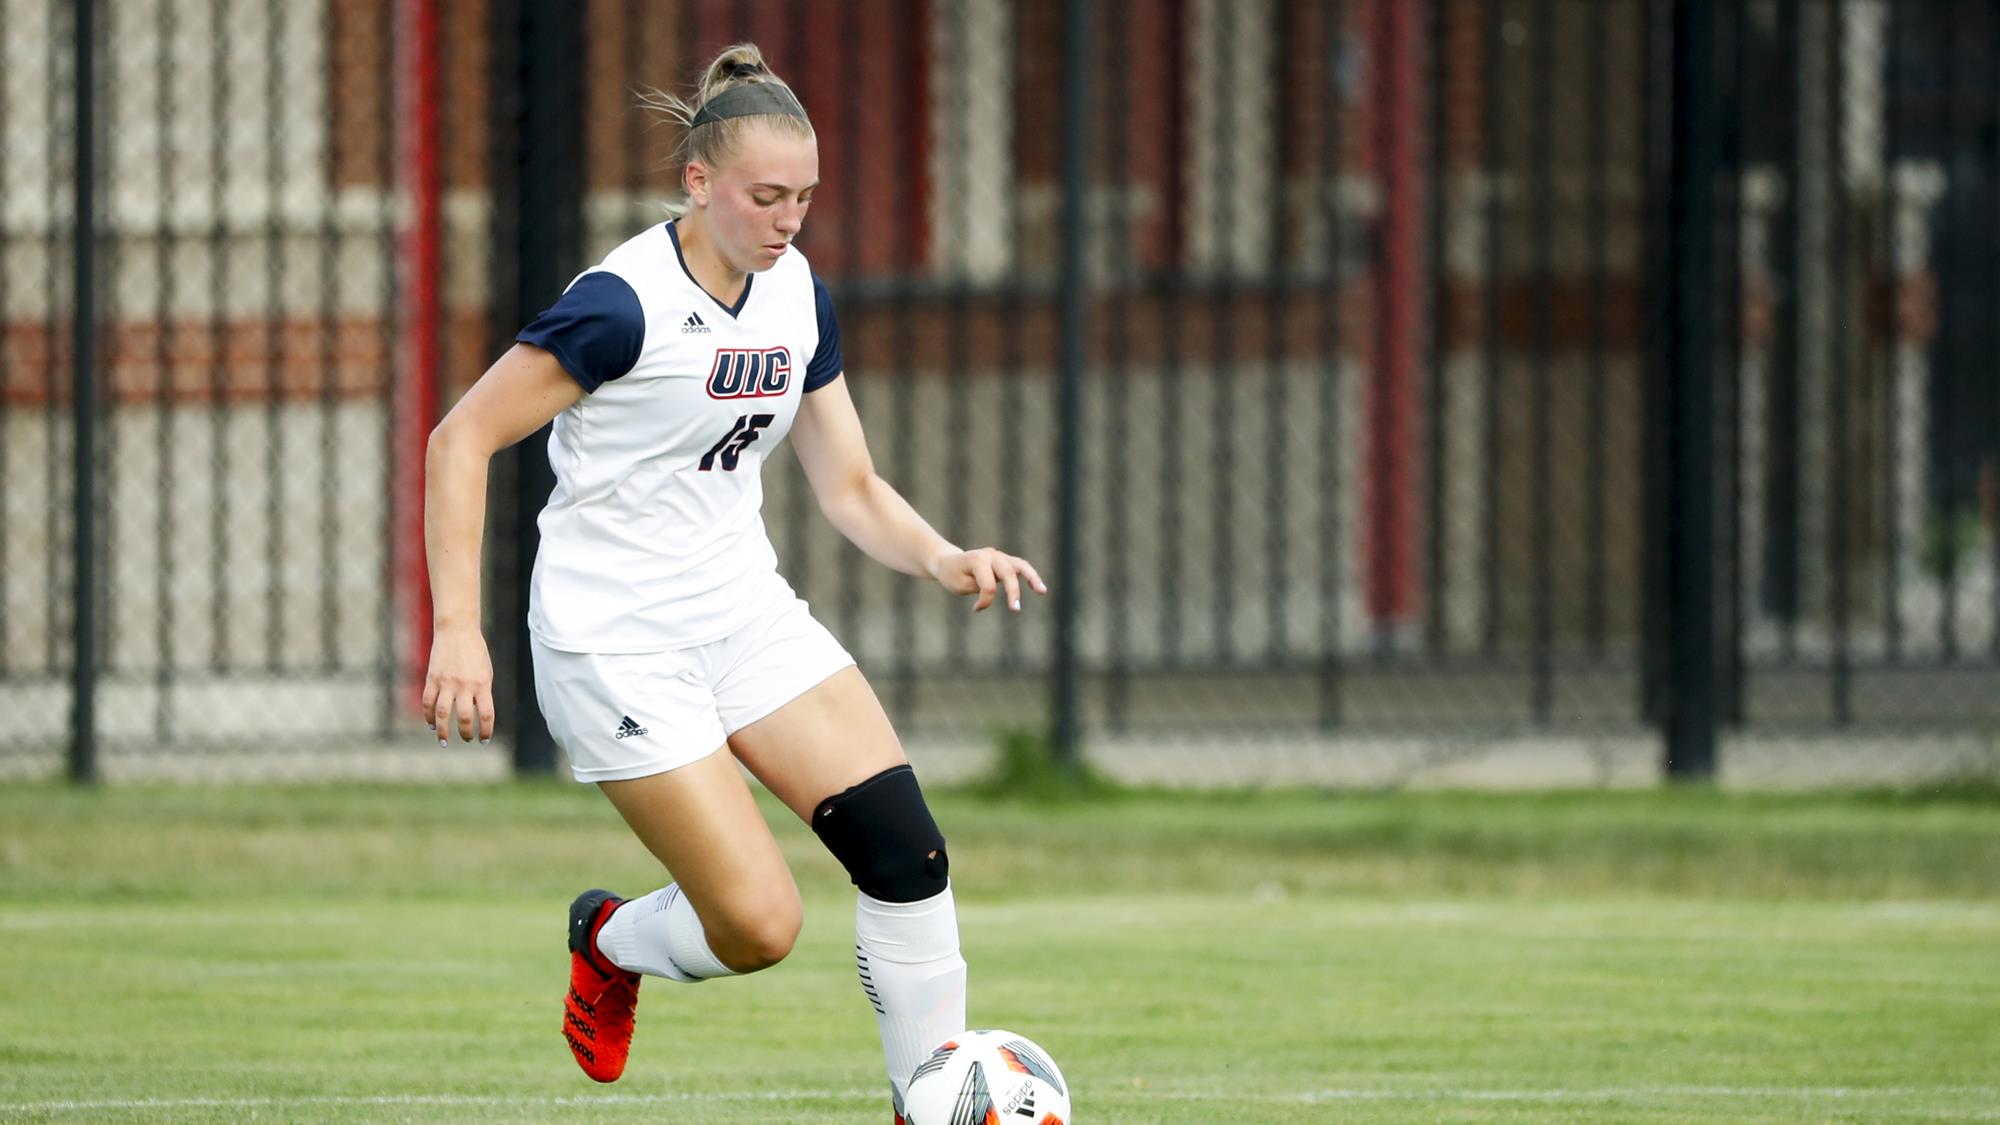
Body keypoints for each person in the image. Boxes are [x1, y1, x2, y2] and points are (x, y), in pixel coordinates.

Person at [419, 42, 1044, 1124]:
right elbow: (458, 439)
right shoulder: (619, 307)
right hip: (614, 640)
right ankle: (607, 939)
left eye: (802, 197)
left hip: (741, 612)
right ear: (698, 184)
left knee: (906, 855)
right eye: (764, 196)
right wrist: (457, 633)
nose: (786, 219)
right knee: (759, 927)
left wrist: (943, 555)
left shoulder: (796, 293)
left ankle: (925, 1105)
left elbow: (848, 486)